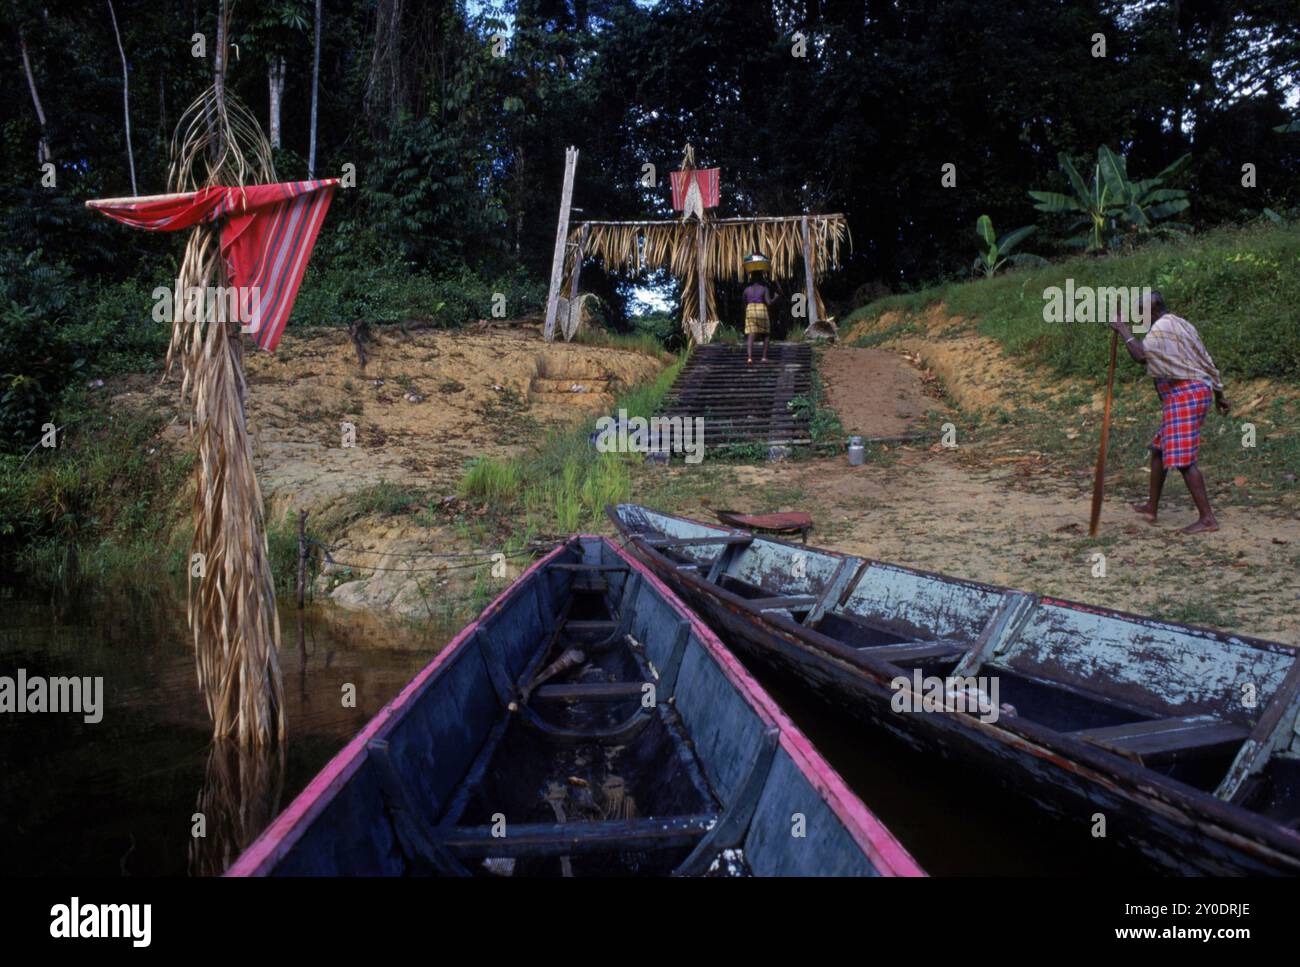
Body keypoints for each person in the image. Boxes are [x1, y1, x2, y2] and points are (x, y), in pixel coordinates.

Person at [1109, 291, 1231, 534]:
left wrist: (1123, 330)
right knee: (1159, 450)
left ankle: (1207, 519)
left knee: (1184, 460)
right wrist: (1219, 394)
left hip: (1186, 395)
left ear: (1152, 310)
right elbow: (1205, 360)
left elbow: (1141, 356)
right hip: (1195, 391)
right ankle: (1151, 507)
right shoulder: (1182, 324)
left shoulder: (1160, 330)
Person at [742, 271, 777, 364]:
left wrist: (748, 310)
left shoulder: (746, 290)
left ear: (751, 278)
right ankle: (764, 357)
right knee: (766, 334)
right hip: (761, 309)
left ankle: (749, 357)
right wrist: (776, 298)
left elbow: (744, 303)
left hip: (750, 310)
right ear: (761, 278)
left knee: (751, 334)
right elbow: (769, 303)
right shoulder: (764, 289)